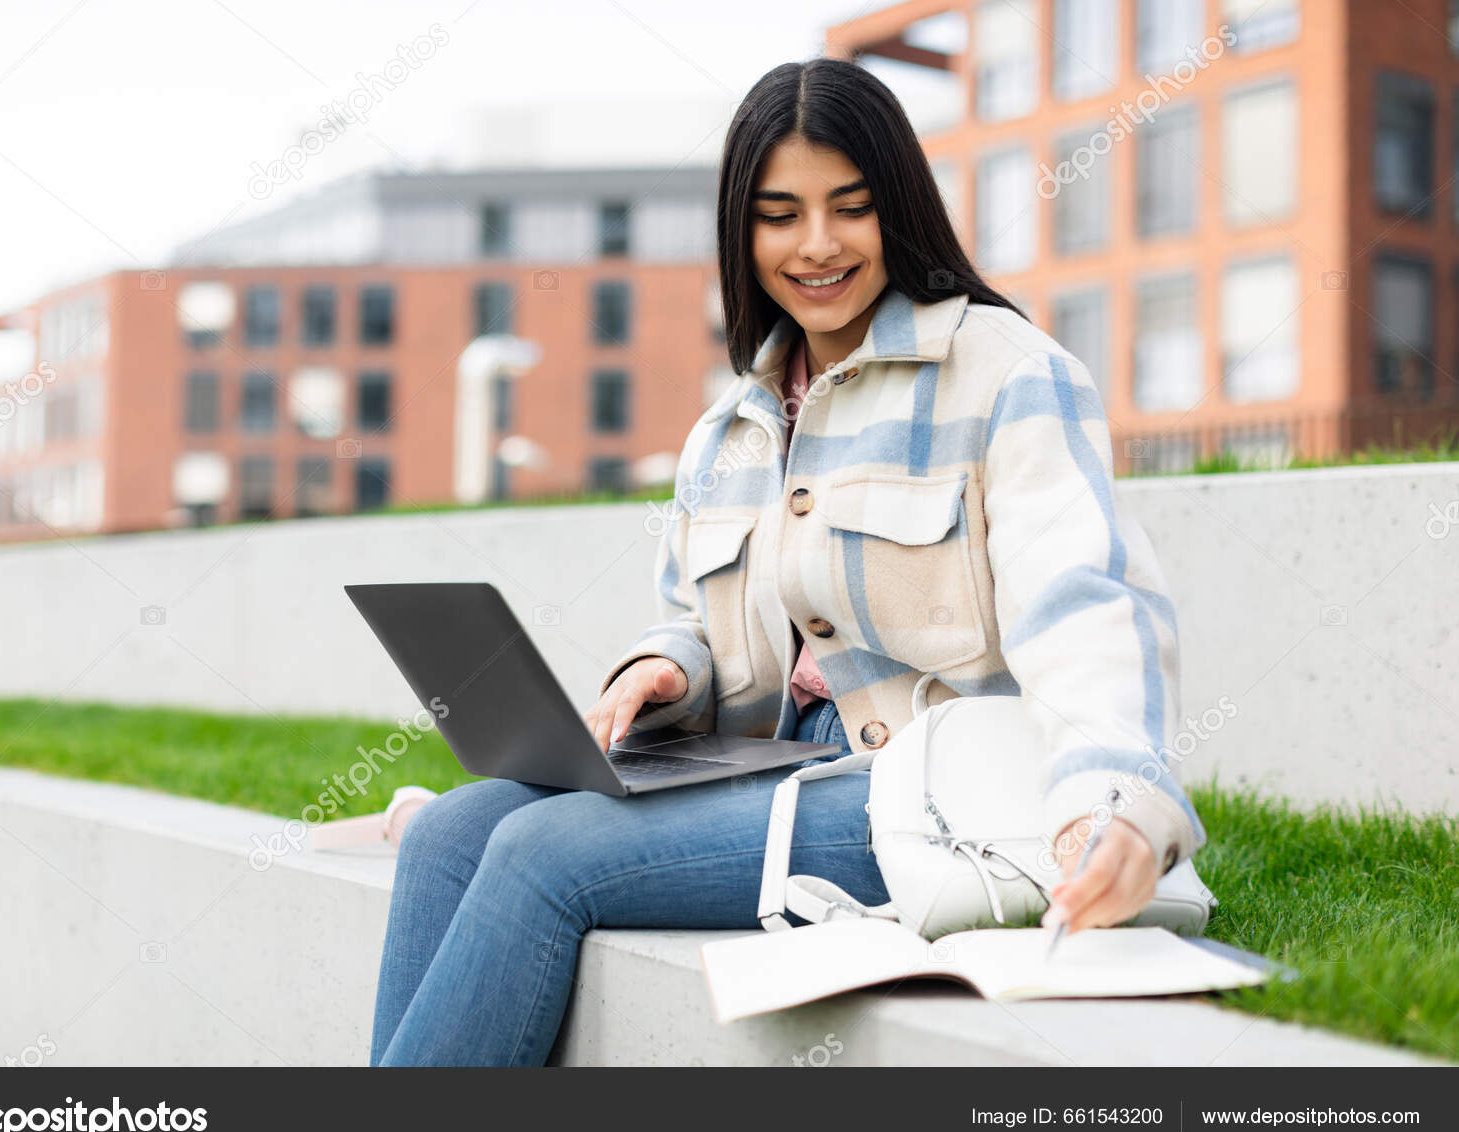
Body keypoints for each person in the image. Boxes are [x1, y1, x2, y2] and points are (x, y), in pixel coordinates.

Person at [368, 56, 1207, 1067]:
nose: (816, 246)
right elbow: (698, 619)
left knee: (543, 856)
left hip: (911, 792)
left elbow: (1085, 603)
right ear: (741, 229)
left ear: (896, 210)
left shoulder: (1007, 374)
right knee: (450, 833)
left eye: (848, 208)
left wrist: (1108, 803)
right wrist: (664, 667)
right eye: (779, 214)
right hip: (767, 767)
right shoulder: (728, 428)